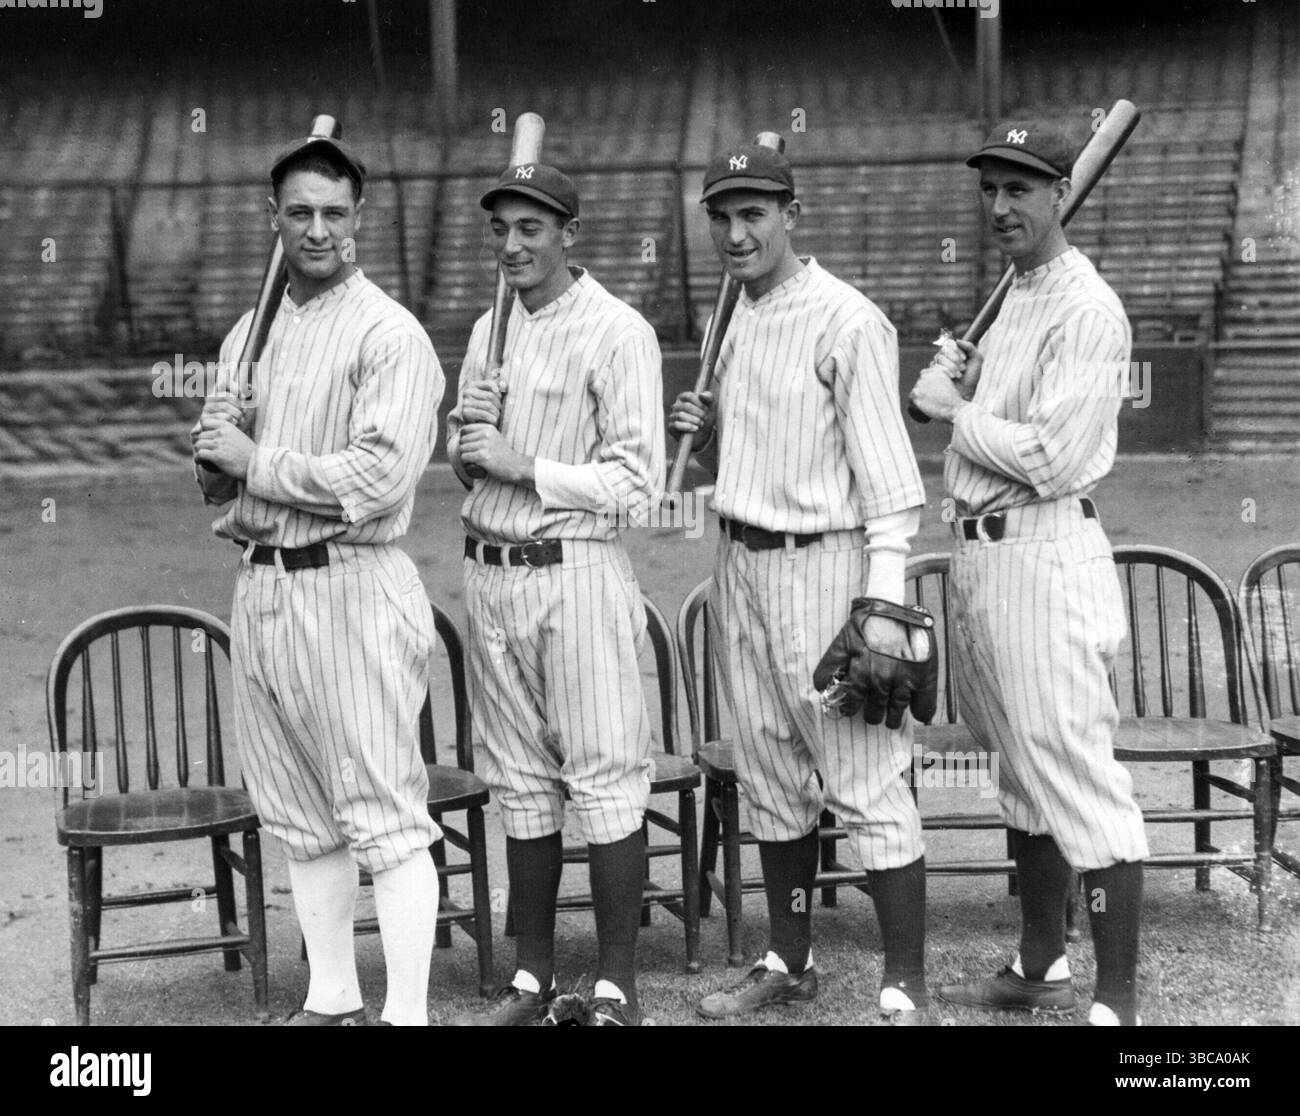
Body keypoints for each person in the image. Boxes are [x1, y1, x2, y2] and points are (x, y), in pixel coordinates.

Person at [669, 139, 932, 1024]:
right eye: (723, 217)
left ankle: (905, 983)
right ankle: (788, 958)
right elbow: (763, 454)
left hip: (824, 563)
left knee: (862, 773)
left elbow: (893, 492)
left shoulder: (848, 319)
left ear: (792, 213)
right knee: (768, 771)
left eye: (754, 214)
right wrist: (704, 438)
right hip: (738, 560)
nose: (737, 233)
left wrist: (882, 611)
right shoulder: (733, 314)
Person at [191, 129, 445, 1026]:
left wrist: (257, 458)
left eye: (335, 213)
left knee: (383, 811)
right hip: (262, 584)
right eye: (299, 212)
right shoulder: (246, 334)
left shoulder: (390, 335)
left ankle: (407, 1015)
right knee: (298, 811)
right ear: (274, 219)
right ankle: (332, 998)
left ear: (360, 220)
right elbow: (218, 480)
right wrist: (218, 453)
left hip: (353, 585)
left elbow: (376, 483)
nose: (317, 229)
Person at [909, 119, 1148, 1027]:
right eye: (990, 189)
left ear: (1061, 194)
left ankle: (1117, 1000)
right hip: (984, 557)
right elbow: (1002, 419)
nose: (1001, 206)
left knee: (1075, 772)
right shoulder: (1015, 295)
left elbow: (1052, 455)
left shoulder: (1089, 307)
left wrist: (953, 408)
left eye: (1021, 189)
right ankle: (1041, 961)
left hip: (1046, 551)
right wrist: (965, 375)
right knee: (1018, 767)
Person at [445, 162, 665, 1027]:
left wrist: (519, 462)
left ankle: (616, 986)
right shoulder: (485, 330)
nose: (512, 245)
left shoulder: (618, 330)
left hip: (571, 572)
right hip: (490, 574)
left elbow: (635, 481)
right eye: (500, 228)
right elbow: (470, 460)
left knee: (606, 775)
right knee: (520, 782)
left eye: (531, 228)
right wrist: (471, 440)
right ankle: (532, 980)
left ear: (569, 233)